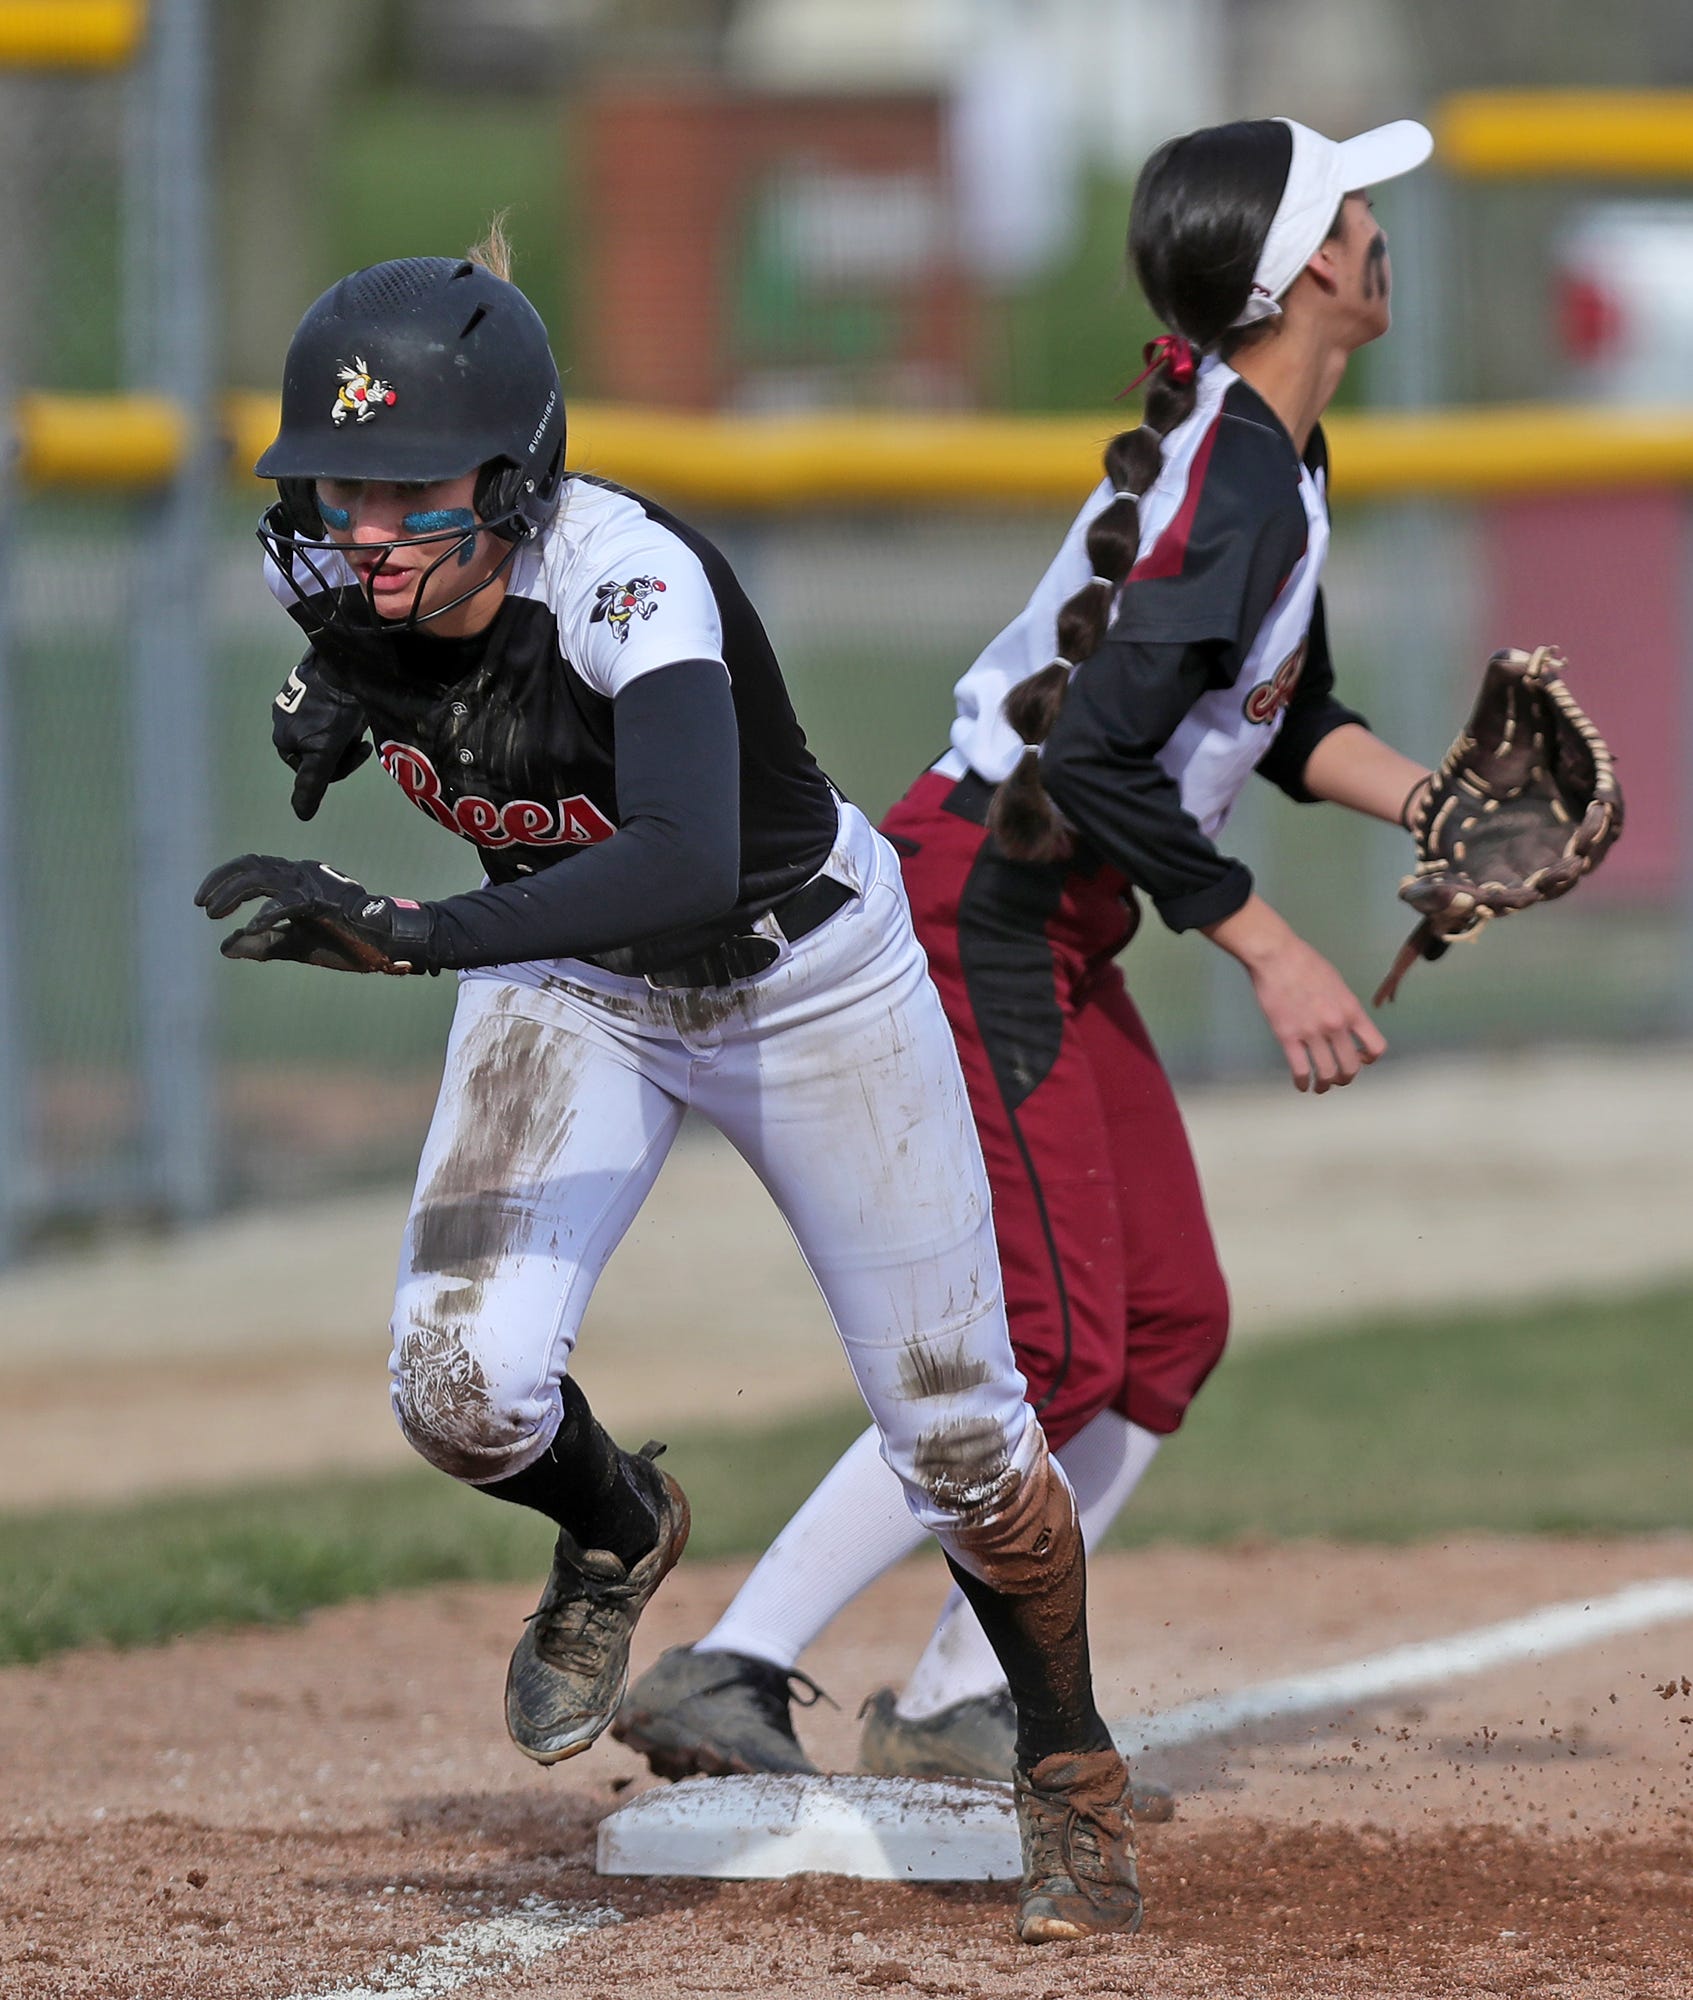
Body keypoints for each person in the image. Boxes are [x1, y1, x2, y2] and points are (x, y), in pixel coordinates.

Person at [193, 228, 1144, 1945]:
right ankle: (618, 1527)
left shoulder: (628, 577)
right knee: (457, 1387)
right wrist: (332, 706)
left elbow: (688, 851)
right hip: (571, 983)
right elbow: (385, 677)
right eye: (338, 492)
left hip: (803, 976)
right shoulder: (346, 588)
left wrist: (414, 931)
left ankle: (1067, 1770)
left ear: (520, 476)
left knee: (961, 1437)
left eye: (415, 494)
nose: (365, 533)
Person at [613, 115, 1439, 1797]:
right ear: (1305, 275)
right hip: (983, 896)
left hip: (1045, 909)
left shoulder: (1278, 462)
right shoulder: (1235, 481)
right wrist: (1270, 949)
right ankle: (735, 1661)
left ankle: (950, 1700)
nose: (1375, 226)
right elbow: (1098, 765)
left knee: (1161, 1324)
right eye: (1352, 207)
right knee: (1049, 1346)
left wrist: (1433, 806)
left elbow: (1280, 726)